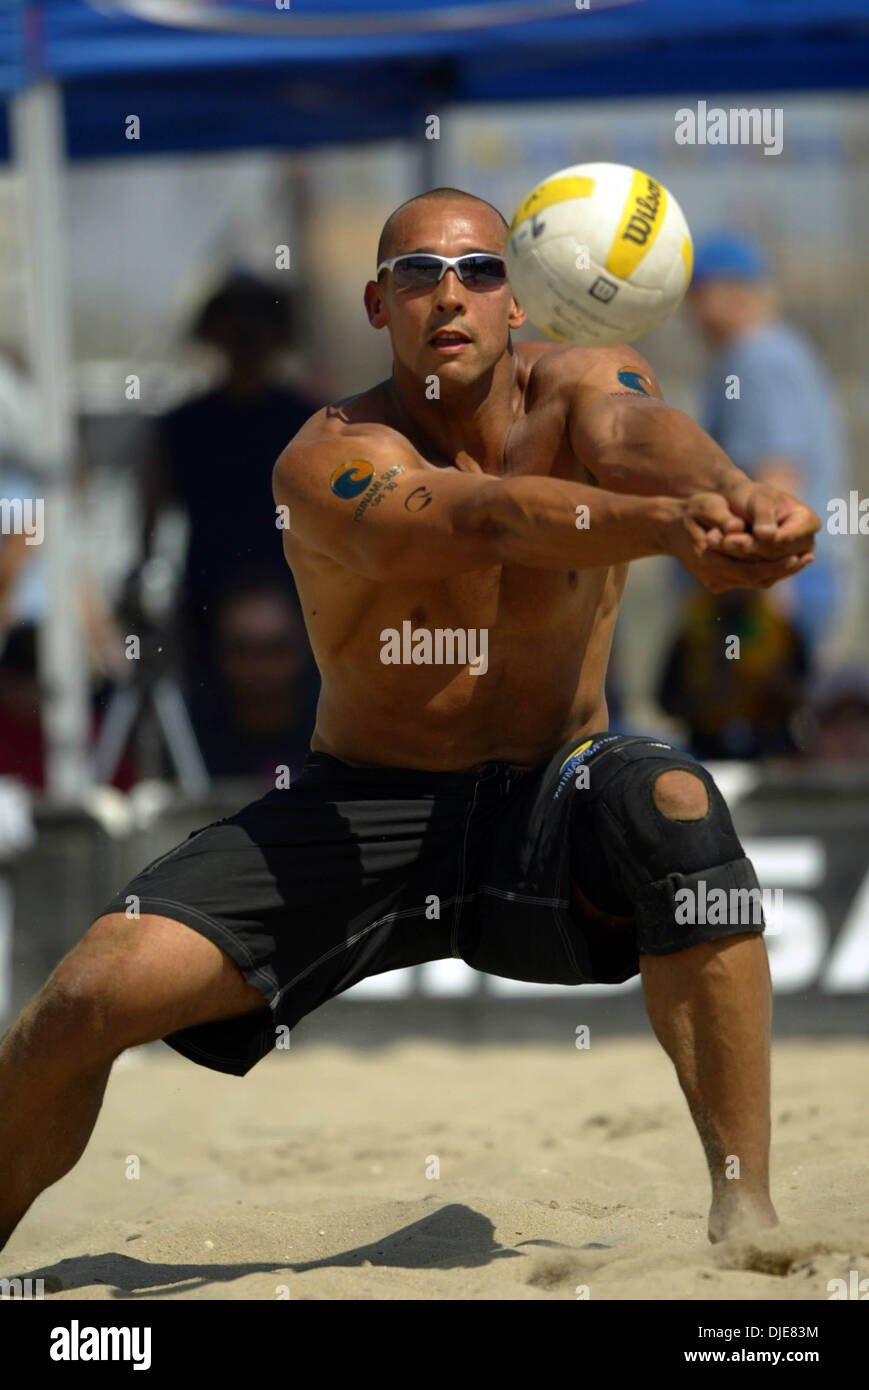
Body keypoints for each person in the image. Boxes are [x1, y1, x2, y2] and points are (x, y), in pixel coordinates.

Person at [0, 188, 820, 1254]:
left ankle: (743, 1208)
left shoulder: (582, 385)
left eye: (480, 272)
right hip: (365, 812)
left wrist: (733, 497)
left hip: (547, 798)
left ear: (517, 303)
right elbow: (467, 522)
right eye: (416, 276)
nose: (451, 295)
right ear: (376, 306)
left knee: (675, 801)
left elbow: (636, 435)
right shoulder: (326, 452)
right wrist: (671, 528)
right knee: (86, 998)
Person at [139, 271, 319, 685]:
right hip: (207, 609)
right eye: (235, 322)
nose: (247, 335)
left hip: (298, 609)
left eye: (258, 321)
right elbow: (149, 507)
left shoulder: (311, 422)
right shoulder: (181, 425)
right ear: (213, 332)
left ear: (279, 334)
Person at [686, 233, 849, 658]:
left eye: (697, 295)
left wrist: (773, 584)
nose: (692, 312)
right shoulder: (768, 352)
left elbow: (778, 471)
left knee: (764, 717)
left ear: (730, 293)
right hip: (779, 572)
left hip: (779, 577)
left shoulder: (759, 357)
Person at [189, 578, 319, 784]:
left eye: (276, 649)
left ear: (306, 648)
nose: (261, 667)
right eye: (244, 650)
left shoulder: (336, 740)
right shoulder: (185, 738)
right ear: (219, 653)